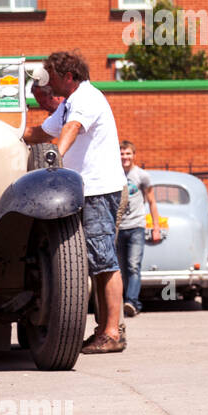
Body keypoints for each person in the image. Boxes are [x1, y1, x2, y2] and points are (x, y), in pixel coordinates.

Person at [22, 52, 126, 353]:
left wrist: (56, 155)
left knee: (104, 261)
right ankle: (105, 330)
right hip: (86, 191)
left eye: (52, 76)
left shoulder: (86, 99)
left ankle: (112, 333)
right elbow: (43, 131)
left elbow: (71, 130)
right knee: (96, 261)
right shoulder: (68, 103)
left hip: (98, 190)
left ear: (69, 76)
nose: (49, 84)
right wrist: (12, 132)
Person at [117, 140, 162, 318]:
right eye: (122, 153)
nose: (125, 157)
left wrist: (155, 227)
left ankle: (132, 302)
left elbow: (151, 201)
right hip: (119, 228)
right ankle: (123, 301)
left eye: (128, 153)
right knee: (120, 268)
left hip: (137, 226)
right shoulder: (113, 174)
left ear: (134, 155)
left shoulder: (142, 176)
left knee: (133, 266)